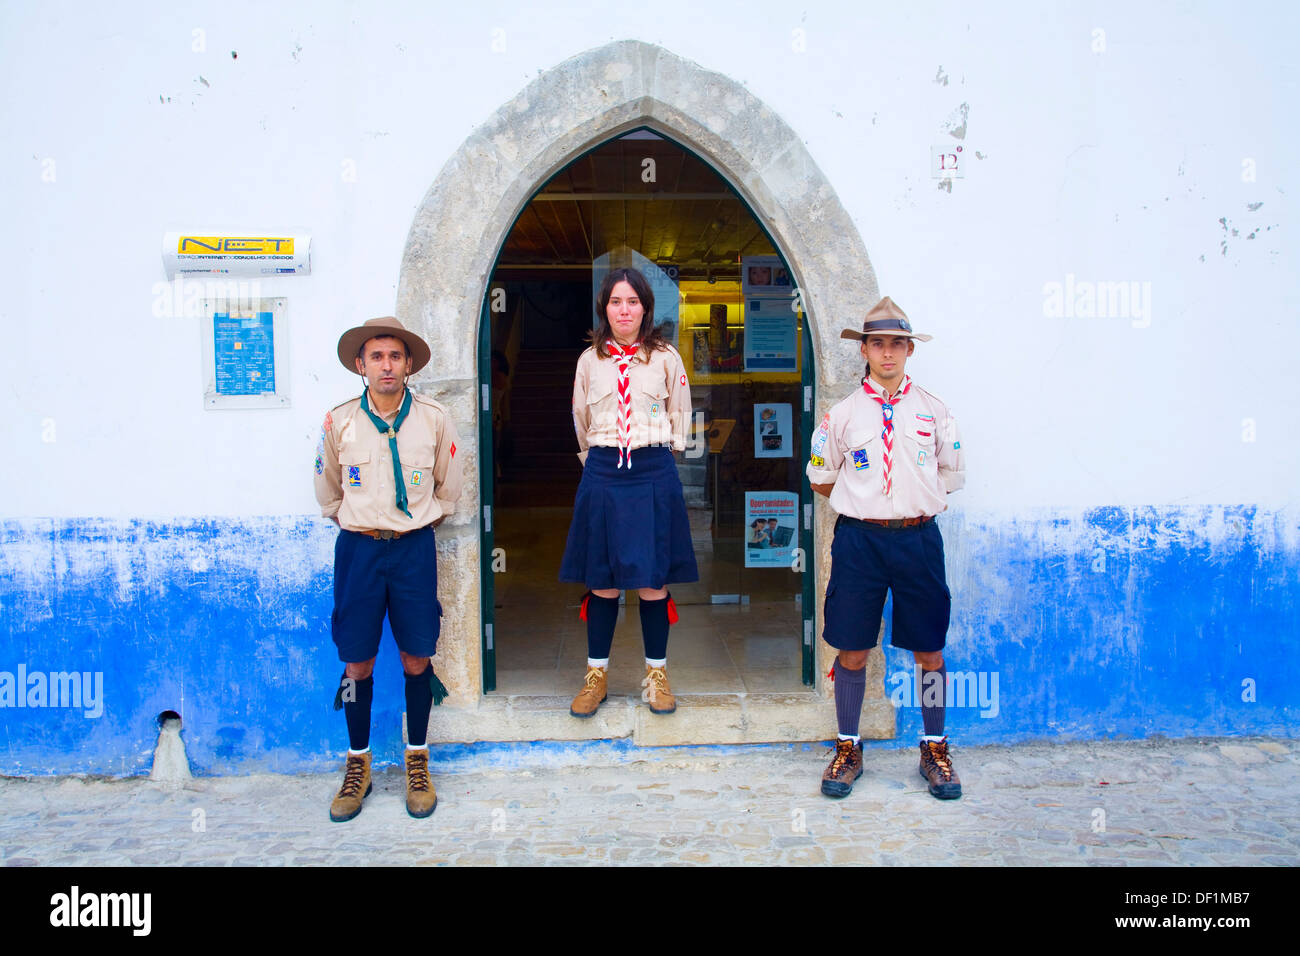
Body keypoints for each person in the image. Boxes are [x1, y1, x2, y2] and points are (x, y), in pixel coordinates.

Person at [806, 297, 966, 800]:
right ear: (865, 350)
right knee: (851, 648)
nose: (888, 352)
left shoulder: (935, 411)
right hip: (860, 541)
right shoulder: (842, 416)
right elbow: (820, 475)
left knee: (930, 649)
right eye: (878, 343)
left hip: (918, 539)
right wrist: (865, 503)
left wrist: (905, 506)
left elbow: (949, 473)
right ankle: (848, 746)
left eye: (898, 343)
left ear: (909, 350)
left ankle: (935, 747)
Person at [314, 316, 465, 821]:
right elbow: (329, 490)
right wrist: (361, 522)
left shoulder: (434, 418)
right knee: (357, 661)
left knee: (416, 656)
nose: (386, 365)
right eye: (376, 356)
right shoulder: (339, 422)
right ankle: (358, 765)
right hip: (358, 552)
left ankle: (417, 760)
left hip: (412, 550)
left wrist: (413, 523)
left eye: (394, 356)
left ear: (408, 365)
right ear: (360, 365)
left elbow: (448, 487)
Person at [560, 267, 698, 718]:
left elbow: (681, 414)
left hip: (652, 471)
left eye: (633, 302)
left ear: (645, 308)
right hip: (602, 472)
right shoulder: (588, 362)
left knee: (652, 582)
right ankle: (595, 677)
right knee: (601, 582)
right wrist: (599, 463)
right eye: (616, 302)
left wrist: (656, 462)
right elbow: (580, 420)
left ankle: (656, 677)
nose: (624, 310)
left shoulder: (665, 359)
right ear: (605, 308)